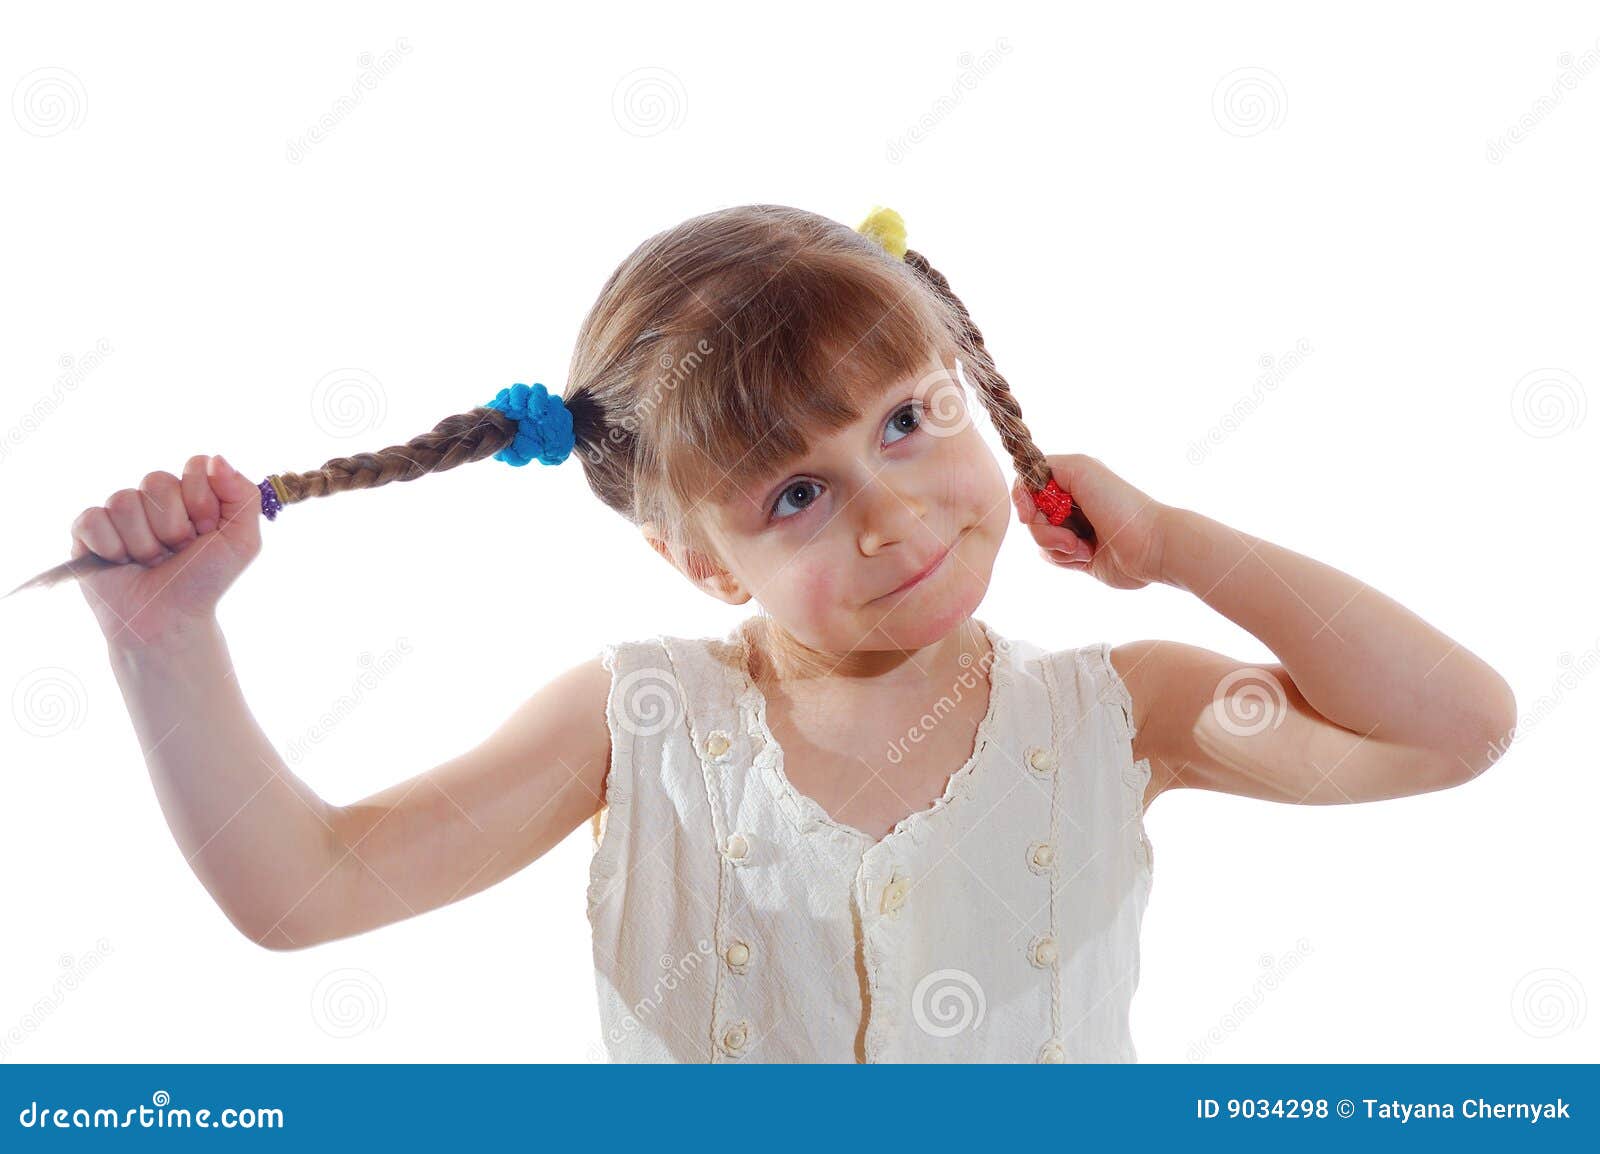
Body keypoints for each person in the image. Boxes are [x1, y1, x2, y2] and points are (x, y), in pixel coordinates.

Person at [54, 205, 1517, 1062]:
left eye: (903, 422)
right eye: (799, 492)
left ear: (962, 385)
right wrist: (165, 646)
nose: (892, 514)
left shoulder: (1124, 714)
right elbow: (306, 888)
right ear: (698, 561)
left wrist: (1178, 547)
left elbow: (1450, 727)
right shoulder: (633, 728)